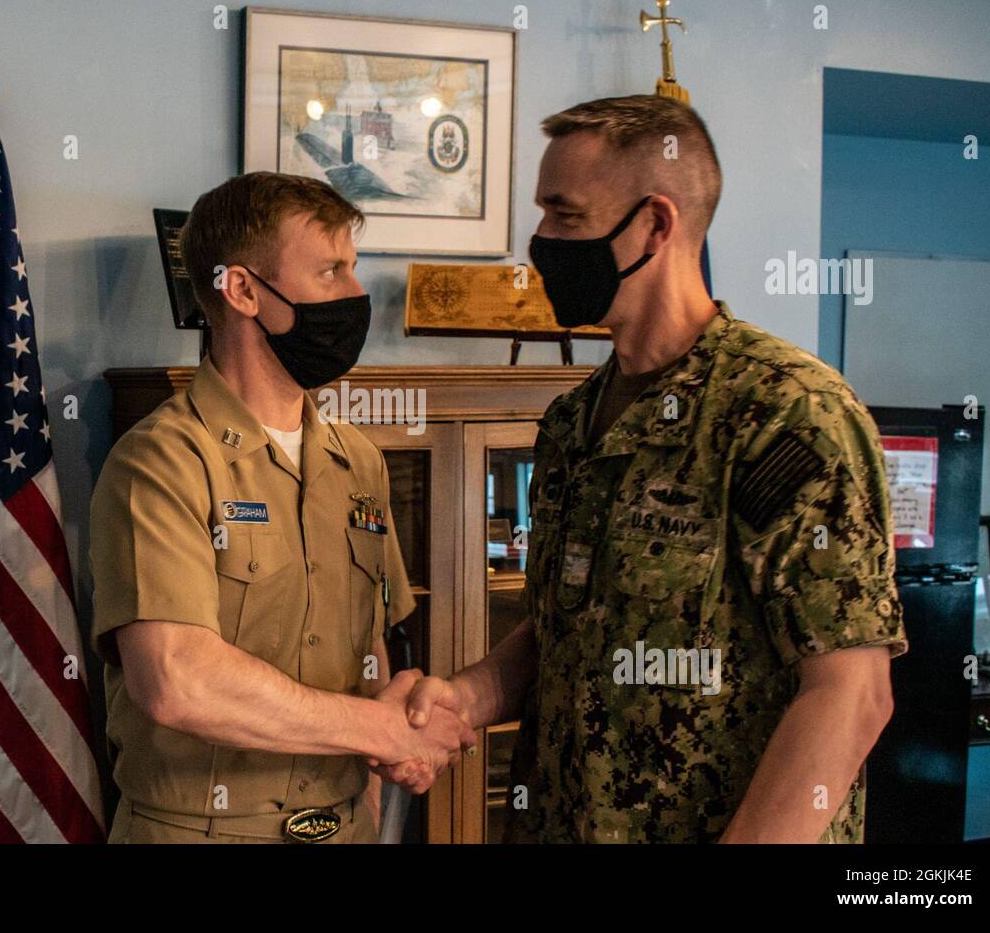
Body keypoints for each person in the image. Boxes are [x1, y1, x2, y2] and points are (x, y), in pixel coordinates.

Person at [373, 95, 908, 843]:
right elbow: (563, 630)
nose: (541, 244)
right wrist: (466, 696)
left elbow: (851, 693)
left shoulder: (784, 412)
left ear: (655, 225)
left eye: (566, 218)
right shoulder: (574, 421)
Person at [90, 171, 474, 843]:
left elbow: (372, 645)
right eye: (330, 271)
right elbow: (176, 680)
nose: (356, 297)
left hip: (346, 824)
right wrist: (376, 728)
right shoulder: (160, 461)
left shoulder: (358, 461)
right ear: (241, 290)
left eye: (353, 269)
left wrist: (391, 735)